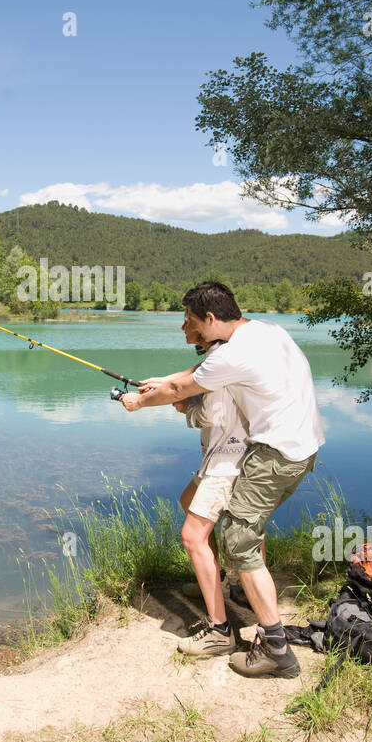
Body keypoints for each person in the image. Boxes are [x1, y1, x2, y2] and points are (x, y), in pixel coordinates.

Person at [120, 280, 325, 679]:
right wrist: (163, 384)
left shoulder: (233, 354)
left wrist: (140, 401)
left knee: (237, 537)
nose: (185, 327)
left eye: (190, 320)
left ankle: (261, 644)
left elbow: (188, 387)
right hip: (303, 447)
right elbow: (192, 375)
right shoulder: (265, 331)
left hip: (272, 452)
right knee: (234, 523)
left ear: (210, 319)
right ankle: (231, 587)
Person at [172, 383, 250, 657]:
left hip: (227, 462)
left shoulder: (222, 362)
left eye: (191, 335)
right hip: (220, 458)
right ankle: (220, 579)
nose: (186, 336)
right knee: (188, 500)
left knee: (193, 536)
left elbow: (208, 415)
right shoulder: (220, 362)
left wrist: (184, 407)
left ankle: (220, 630)